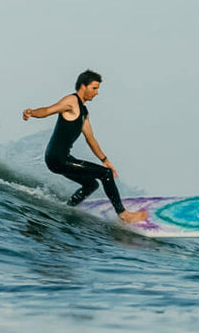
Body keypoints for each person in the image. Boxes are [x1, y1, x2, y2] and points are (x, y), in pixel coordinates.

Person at [23, 70, 147, 224]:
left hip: (61, 159)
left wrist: (105, 159)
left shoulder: (84, 111)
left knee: (91, 184)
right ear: (83, 86)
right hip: (58, 159)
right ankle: (123, 215)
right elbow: (48, 110)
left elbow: (90, 139)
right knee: (105, 174)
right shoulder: (71, 101)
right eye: (94, 88)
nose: (97, 93)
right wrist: (32, 113)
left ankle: (68, 207)